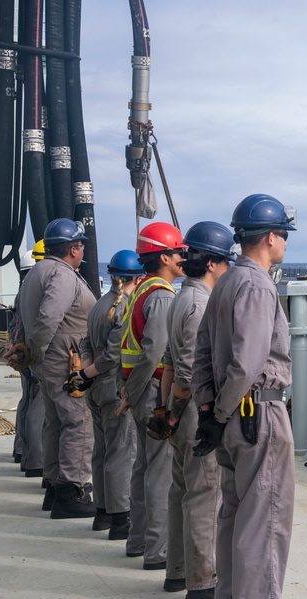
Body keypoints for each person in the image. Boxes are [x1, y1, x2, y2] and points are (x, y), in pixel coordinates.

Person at [191, 194, 307, 599]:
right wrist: (220, 412)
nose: (284, 242)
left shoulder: (224, 284)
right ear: (269, 237)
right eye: (283, 234)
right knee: (266, 514)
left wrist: (208, 412)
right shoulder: (258, 286)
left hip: (230, 418)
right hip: (257, 412)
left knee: (234, 512)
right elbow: (247, 363)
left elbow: (204, 355)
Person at [153, 221, 233, 599]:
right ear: (215, 263)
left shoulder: (179, 298)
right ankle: (201, 585)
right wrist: (183, 413)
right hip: (193, 413)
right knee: (204, 495)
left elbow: (168, 363)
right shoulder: (201, 304)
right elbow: (187, 371)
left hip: (177, 411)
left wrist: (165, 410)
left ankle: (177, 572)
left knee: (180, 491)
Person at [17, 218, 97, 519]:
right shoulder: (61, 275)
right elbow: (50, 317)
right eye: (81, 245)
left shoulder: (37, 272)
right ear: (74, 248)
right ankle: (72, 491)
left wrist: (33, 355)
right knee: (79, 422)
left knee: (55, 423)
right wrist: (40, 350)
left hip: (48, 360)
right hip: (65, 358)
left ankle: (53, 487)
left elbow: (26, 319)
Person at [118, 222, 186, 569]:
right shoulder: (161, 295)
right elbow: (153, 352)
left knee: (143, 469)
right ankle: (157, 551)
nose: (183, 258)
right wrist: (138, 395)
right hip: (151, 394)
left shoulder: (141, 289)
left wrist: (128, 389)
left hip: (139, 392)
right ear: (163, 257)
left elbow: (126, 347)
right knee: (159, 474)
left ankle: (138, 540)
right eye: (178, 252)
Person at [71, 250, 144, 539]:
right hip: (114, 386)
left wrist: (86, 370)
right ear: (137, 278)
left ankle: (101, 512)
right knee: (122, 453)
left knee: (101, 452)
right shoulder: (126, 306)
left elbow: (86, 343)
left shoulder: (100, 304)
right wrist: (91, 372)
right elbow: (115, 354)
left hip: (95, 388)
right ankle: (120, 518)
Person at [5, 241, 45, 477]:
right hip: (32, 356)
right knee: (37, 406)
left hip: (24, 354)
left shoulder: (23, 291)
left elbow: (16, 325)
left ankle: (23, 450)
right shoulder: (36, 292)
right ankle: (34, 458)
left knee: (27, 402)